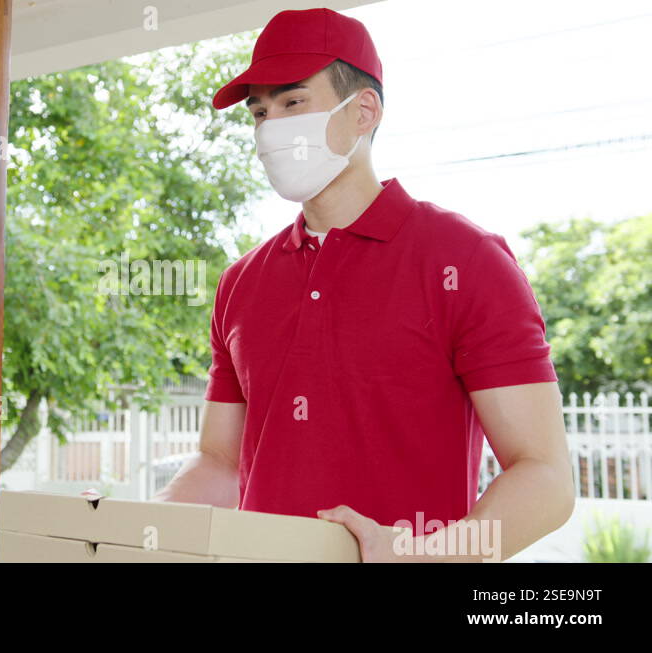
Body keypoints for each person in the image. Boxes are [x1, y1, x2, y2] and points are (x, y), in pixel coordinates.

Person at [152, 7, 575, 562]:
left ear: (364, 111)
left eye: (293, 102)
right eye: (259, 112)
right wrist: (137, 525)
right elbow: (221, 464)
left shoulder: (466, 259)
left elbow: (544, 477)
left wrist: (424, 556)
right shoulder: (241, 282)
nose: (270, 127)